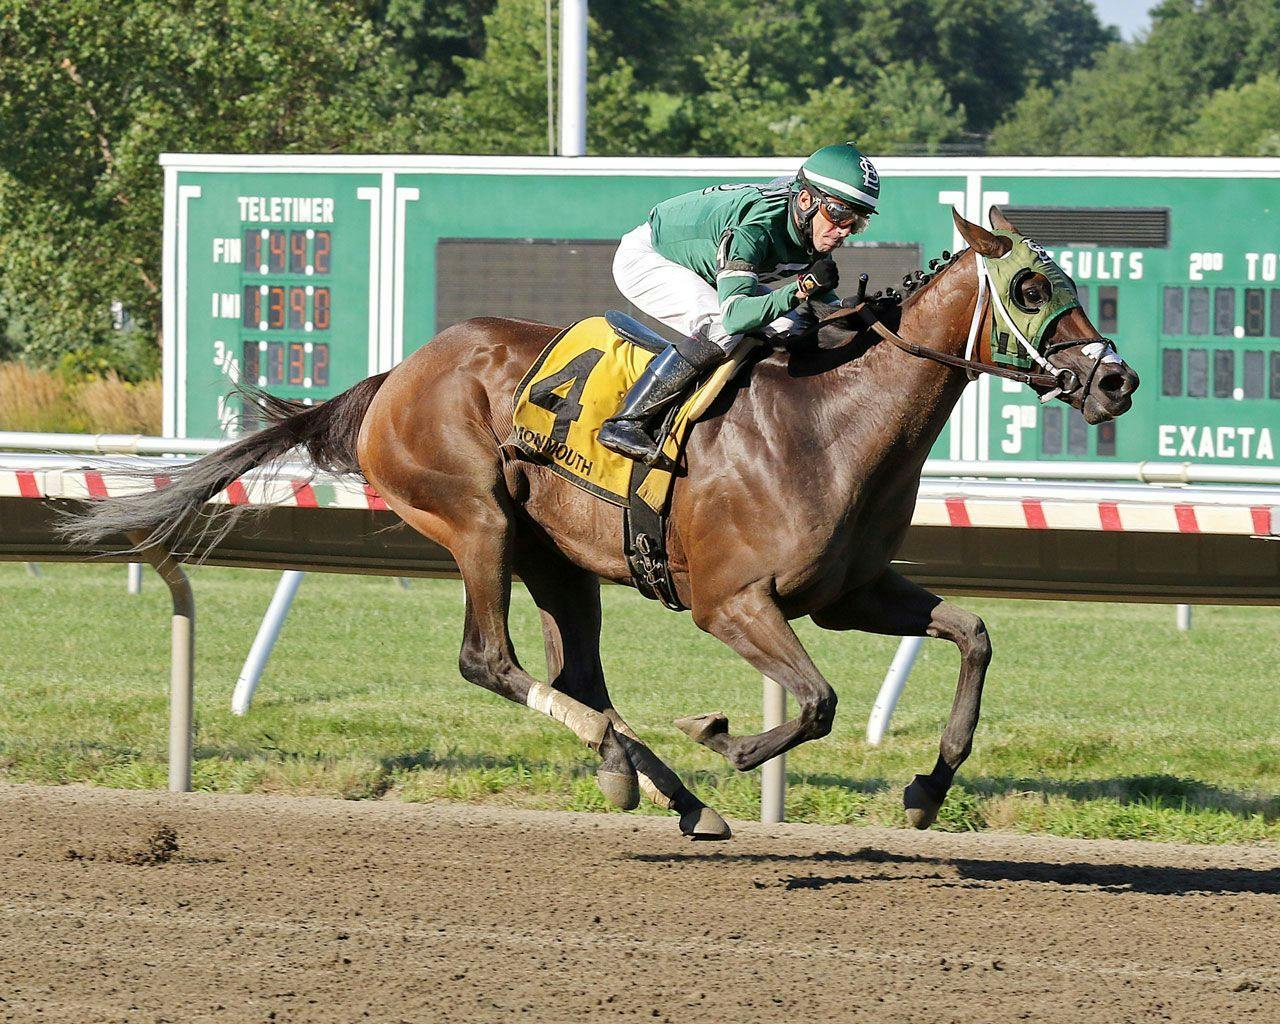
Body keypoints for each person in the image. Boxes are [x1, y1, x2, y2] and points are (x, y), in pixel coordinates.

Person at [597, 142, 880, 463]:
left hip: (710, 265)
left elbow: (820, 302)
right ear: (805, 200)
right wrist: (799, 290)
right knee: (722, 329)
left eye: (857, 220)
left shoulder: (812, 220)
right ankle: (627, 421)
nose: (844, 230)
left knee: (793, 325)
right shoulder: (756, 228)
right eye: (840, 213)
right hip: (651, 258)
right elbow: (734, 316)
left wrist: (847, 309)